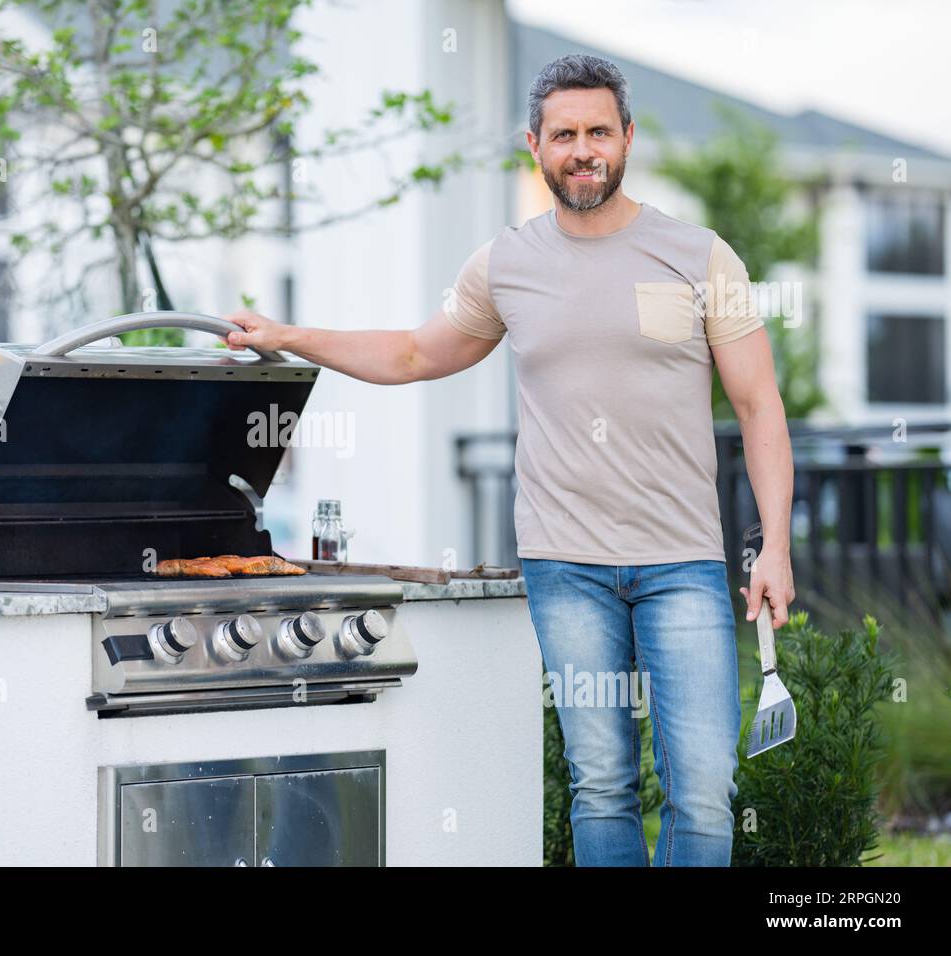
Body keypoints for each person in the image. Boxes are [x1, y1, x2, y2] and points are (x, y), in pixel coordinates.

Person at [220, 53, 795, 867]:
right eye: (565, 135)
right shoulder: (507, 264)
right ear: (536, 146)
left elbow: (760, 405)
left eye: (600, 131)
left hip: (683, 560)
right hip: (567, 566)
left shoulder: (701, 257)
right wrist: (287, 336)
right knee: (601, 785)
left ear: (628, 137)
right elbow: (416, 353)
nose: (583, 149)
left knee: (702, 787)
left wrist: (775, 545)